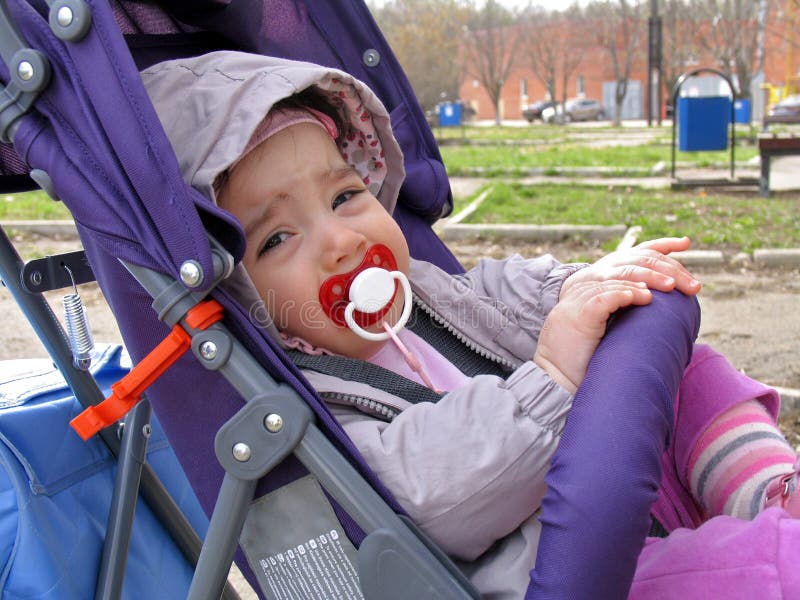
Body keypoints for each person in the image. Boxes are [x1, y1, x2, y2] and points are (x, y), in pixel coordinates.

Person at [142, 51, 800, 598]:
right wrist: (552, 378)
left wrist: (581, 286)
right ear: (241, 295)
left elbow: (503, 291)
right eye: (278, 238)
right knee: (772, 566)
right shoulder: (313, 407)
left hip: (630, 489)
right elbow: (436, 496)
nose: (340, 240)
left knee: (683, 364)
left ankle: (765, 487)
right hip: (578, 573)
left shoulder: (424, 292)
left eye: (345, 196)